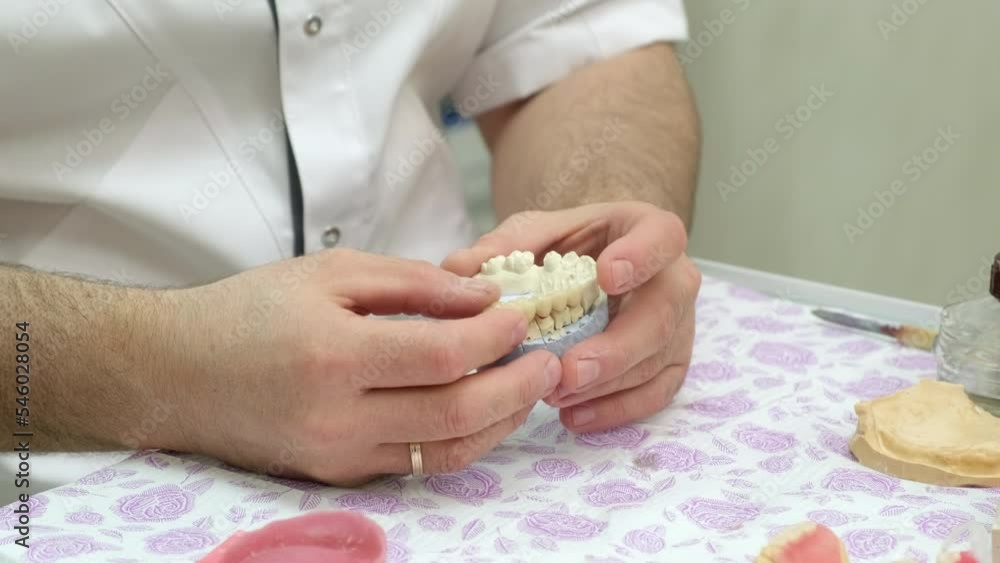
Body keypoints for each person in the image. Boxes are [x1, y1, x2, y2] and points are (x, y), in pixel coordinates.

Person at [0, 1, 700, 486]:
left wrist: (595, 239)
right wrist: (170, 371)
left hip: (497, 461)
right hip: (60, 487)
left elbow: (575, 39)